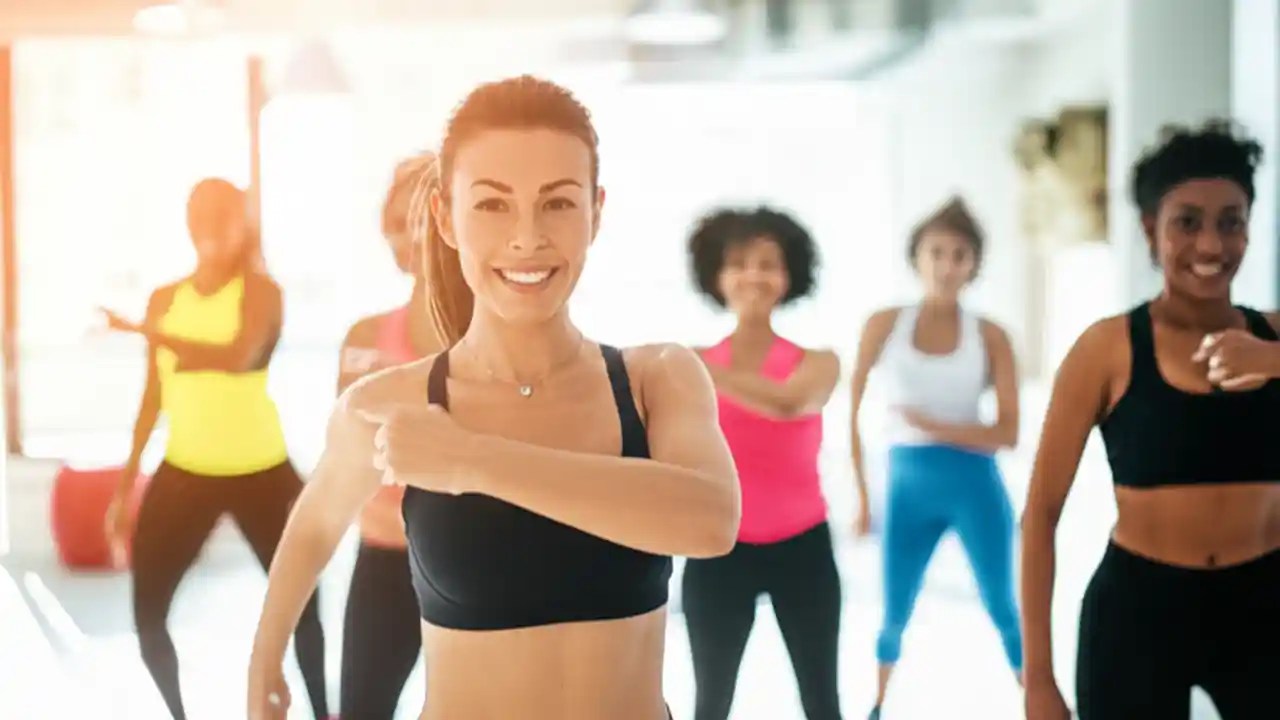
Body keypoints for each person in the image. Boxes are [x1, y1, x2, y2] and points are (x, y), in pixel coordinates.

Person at [246, 75, 741, 720]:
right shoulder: (390, 403)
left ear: (597, 211)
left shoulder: (657, 379)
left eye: (559, 203)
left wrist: (473, 461)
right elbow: (314, 526)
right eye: (492, 204)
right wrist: (265, 655)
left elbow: (710, 521)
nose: (528, 237)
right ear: (445, 218)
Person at [1022, 121, 1280, 720]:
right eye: (1187, 222)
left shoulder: (1273, 334)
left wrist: (1269, 359)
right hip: (1140, 611)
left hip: (1264, 608)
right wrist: (1038, 678)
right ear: (1149, 229)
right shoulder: (1107, 348)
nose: (1212, 245)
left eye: (1231, 220)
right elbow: (1040, 513)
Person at [100, 178, 330, 720]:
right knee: (147, 613)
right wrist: (122, 489)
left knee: (305, 611)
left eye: (221, 216)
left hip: (262, 471)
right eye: (198, 215)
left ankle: (323, 713)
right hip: (185, 471)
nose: (208, 227)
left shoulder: (261, 291)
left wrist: (145, 332)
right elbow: (152, 399)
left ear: (241, 224)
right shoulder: (165, 299)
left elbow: (241, 357)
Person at [849, 197, 1023, 719]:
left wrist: (933, 426)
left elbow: (1009, 432)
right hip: (906, 483)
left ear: (974, 264)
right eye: (937, 252)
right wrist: (861, 495)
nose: (947, 266)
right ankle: (877, 706)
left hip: (976, 485)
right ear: (917, 257)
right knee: (893, 610)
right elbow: (851, 413)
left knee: (1004, 607)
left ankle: (1039, 704)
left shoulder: (991, 335)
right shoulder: (883, 324)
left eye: (960, 255)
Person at [682, 206, 843, 720]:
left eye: (768, 263)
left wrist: (697, 369)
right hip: (718, 548)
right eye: (739, 263)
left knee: (822, 702)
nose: (754, 275)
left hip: (804, 547)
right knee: (710, 705)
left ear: (790, 274)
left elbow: (788, 403)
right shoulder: (692, 365)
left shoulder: (819, 363)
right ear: (716, 275)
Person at [336, 152, 443, 718]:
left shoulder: (501, 343)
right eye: (402, 223)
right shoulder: (365, 335)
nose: (413, 236)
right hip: (384, 554)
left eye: (424, 218)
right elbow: (350, 452)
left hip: (473, 559)